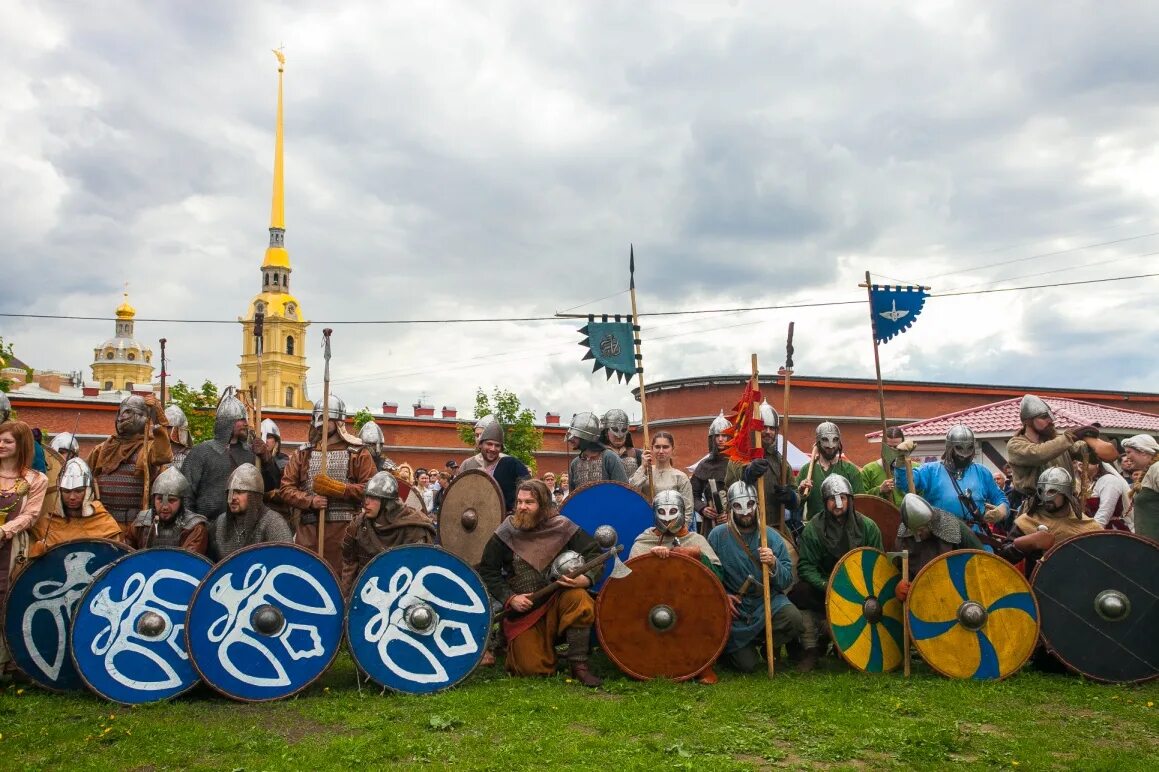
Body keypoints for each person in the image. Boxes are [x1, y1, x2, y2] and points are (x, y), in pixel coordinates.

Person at [477, 479, 603, 687]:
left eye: (529, 502)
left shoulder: (563, 527)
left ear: (543, 505)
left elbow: (593, 553)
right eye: (519, 502)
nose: (522, 507)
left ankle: (578, 665)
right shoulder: (506, 532)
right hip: (525, 612)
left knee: (579, 598)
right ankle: (518, 645)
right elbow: (488, 570)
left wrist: (586, 578)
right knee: (531, 669)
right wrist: (511, 598)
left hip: (557, 602)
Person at [707, 481, 802, 674]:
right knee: (747, 665)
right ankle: (735, 650)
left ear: (757, 505)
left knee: (793, 618)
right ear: (730, 507)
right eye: (738, 506)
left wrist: (774, 563)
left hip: (767, 600)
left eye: (749, 505)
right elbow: (709, 574)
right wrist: (723, 595)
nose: (745, 512)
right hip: (737, 607)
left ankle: (769, 644)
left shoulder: (771, 537)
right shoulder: (717, 535)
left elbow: (785, 581)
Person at [630, 489, 723, 683]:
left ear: (681, 511)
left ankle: (703, 666)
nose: (667, 518)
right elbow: (630, 583)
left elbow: (717, 578)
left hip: (689, 600)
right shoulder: (643, 542)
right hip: (651, 603)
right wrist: (650, 561)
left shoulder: (696, 540)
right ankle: (643, 663)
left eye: (672, 512)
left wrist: (696, 555)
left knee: (701, 613)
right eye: (662, 512)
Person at [793, 475, 882, 672]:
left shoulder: (868, 527)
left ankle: (850, 641)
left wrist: (857, 590)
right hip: (826, 588)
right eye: (832, 498)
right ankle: (811, 648)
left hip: (861, 594)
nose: (838, 503)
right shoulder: (814, 529)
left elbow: (878, 565)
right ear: (825, 502)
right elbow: (806, 566)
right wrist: (829, 585)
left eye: (842, 497)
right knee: (801, 591)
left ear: (850, 499)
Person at [280, 396, 377, 574]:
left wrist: (340, 489)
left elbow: (372, 489)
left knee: (342, 579)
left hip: (345, 530)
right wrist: (310, 501)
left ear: (338, 420)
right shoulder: (303, 453)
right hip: (309, 531)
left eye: (327, 418)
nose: (321, 423)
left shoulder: (357, 453)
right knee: (306, 578)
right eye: (319, 418)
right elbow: (286, 489)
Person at [892, 494, 1054, 598]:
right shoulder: (904, 538)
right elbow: (897, 573)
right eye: (917, 530)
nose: (920, 534)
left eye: (923, 529)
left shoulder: (953, 527)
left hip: (961, 597)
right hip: (923, 599)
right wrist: (899, 587)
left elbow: (981, 561)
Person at [182, 390, 280, 527]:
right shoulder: (201, 452)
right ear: (226, 422)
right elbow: (186, 493)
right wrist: (192, 525)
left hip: (244, 526)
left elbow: (271, 485)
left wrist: (266, 458)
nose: (246, 423)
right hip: (208, 526)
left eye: (245, 419)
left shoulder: (251, 454)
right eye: (240, 420)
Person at [86, 394, 173, 537]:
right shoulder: (102, 449)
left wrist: (157, 419)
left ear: (142, 417)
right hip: (102, 522)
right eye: (122, 412)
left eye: (129, 412)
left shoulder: (148, 448)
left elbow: (164, 456)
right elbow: (86, 483)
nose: (123, 416)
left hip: (135, 525)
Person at [339, 471, 436, 596]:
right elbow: (349, 563)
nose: (366, 502)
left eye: (373, 498)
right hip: (365, 592)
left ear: (387, 503)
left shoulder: (414, 528)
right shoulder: (358, 525)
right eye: (366, 497)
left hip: (404, 594)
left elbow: (420, 569)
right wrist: (347, 598)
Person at [894, 425, 1007, 532]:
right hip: (939, 534)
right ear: (949, 448)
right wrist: (900, 461)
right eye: (959, 448)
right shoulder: (930, 470)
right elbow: (905, 484)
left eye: (969, 448)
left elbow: (1000, 498)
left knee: (987, 552)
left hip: (975, 534)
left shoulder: (982, 472)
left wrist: (1002, 510)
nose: (964, 454)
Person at [0, 420, 49, 669]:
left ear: (20, 445)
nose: (1, 445)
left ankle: (5, 665)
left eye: (7, 441)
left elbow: (31, 514)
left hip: (12, 546)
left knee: (7, 600)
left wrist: (5, 531)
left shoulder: (34, 479)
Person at [1006, 394, 1107, 501]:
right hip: (1037, 508)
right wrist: (1070, 437)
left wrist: (1093, 445)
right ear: (1028, 421)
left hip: (1068, 505)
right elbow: (1038, 453)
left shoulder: (1058, 442)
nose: (1050, 420)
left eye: (1050, 416)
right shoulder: (1015, 445)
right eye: (1044, 417)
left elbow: (1087, 453)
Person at [723, 401, 799, 541]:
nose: (768, 432)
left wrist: (791, 496)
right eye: (764, 427)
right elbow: (729, 488)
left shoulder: (781, 462)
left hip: (777, 529)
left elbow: (796, 494)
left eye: (772, 428)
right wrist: (748, 474)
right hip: (745, 529)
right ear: (754, 428)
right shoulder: (739, 456)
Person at [26, 457, 125, 557]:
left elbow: (115, 559)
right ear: (60, 492)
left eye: (78, 491)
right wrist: (37, 552)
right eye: (66, 491)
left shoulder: (104, 523)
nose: (72, 497)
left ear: (88, 491)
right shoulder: (47, 524)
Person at [210, 463, 294, 561]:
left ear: (254, 496)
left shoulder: (273, 523)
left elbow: (287, 560)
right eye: (230, 492)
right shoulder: (221, 523)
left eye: (239, 492)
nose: (232, 498)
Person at [1008, 467, 1103, 543]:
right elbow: (1004, 557)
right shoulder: (1028, 521)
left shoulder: (1087, 526)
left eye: (1052, 491)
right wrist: (1025, 544)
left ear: (1066, 494)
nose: (1045, 497)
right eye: (1042, 491)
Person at [130, 466, 209, 554]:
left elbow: (187, 562)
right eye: (160, 499)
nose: (165, 507)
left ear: (181, 502)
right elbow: (126, 555)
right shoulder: (141, 523)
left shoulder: (194, 527)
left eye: (171, 500)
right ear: (153, 499)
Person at [795, 422, 863, 521]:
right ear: (818, 442)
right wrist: (800, 493)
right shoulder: (806, 470)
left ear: (839, 443)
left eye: (835, 440)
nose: (831, 447)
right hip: (816, 529)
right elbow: (795, 505)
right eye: (825, 441)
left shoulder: (850, 470)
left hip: (845, 528)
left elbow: (861, 504)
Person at [628, 432, 695, 528]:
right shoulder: (645, 473)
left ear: (672, 449)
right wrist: (643, 466)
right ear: (651, 449)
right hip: (647, 527)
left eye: (665, 447)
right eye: (657, 447)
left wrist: (679, 531)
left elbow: (688, 511)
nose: (661, 451)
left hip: (671, 527)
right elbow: (631, 491)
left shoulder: (680, 477)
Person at [461, 421, 531, 514]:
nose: (493, 449)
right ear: (480, 445)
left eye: (497, 445)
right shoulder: (468, 464)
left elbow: (529, 489)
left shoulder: (511, 465)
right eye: (489, 444)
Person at [692, 410, 734, 535]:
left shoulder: (737, 465)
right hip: (711, 523)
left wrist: (731, 513)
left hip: (736, 520)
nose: (721, 439)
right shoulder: (704, 466)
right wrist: (703, 508)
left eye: (724, 435)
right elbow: (693, 494)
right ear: (712, 438)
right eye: (717, 436)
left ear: (730, 437)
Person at [565, 412, 627, 488]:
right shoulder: (575, 463)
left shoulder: (609, 457)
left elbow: (623, 489)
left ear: (586, 437)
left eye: (575, 436)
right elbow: (573, 496)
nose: (571, 439)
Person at [860, 427, 917, 508]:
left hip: (908, 518)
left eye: (896, 447)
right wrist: (880, 489)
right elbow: (861, 499)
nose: (893, 450)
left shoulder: (915, 468)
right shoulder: (869, 470)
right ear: (883, 446)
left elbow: (923, 496)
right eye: (889, 447)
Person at [1077, 453, 1132, 532]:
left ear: (1097, 464)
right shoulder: (1092, 484)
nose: (1080, 463)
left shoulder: (1109, 480)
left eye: (1085, 460)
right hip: (1092, 528)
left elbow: (1105, 512)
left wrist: (1091, 532)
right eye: (1079, 460)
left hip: (1109, 530)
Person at [1120, 435, 1159, 541]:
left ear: (1143, 452)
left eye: (1129, 452)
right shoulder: (1149, 471)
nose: (1127, 457)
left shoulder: (1157, 468)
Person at [601, 409, 642, 478]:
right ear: (606, 432)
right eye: (615, 430)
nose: (619, 436)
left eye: (623, 430)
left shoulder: (637, 454)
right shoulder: (598, 455)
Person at [165, 404, 192, 470]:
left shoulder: (190, 455)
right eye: (164, 427)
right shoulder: (155, 451)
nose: (165, 430)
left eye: (169, 427)